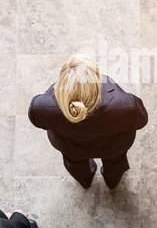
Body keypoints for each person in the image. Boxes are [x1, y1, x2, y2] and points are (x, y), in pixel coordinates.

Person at [28, 55, 149, 189]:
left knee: (76, 165)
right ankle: (112, 182)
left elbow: (38, 122)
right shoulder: (125, 104)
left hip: (71, 148)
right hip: (114, 147)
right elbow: (142, 120)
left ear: (62, 81)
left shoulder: (40, 106)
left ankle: (85, 181)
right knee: (115, 163)